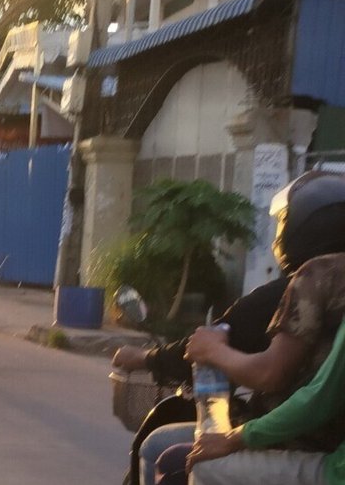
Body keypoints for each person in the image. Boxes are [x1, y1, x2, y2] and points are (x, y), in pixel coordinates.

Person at [152, 170, 345, 484]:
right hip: (316, 441)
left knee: (185, 460)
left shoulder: (315, 277)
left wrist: (236, 436)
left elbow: (281, 380)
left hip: (306, 447)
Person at [110, 276, 288, 485]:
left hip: (284, 442)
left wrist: (146, 358)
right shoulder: (306, 287)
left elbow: (265, 371)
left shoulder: (294, 287)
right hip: (284, 435)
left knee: (155, 447)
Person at [186, 319, 345, 485]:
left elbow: (315, 400)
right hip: (284, 431)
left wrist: (236, 438)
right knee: (177, 446)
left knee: (204, 466)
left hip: (334, 470)